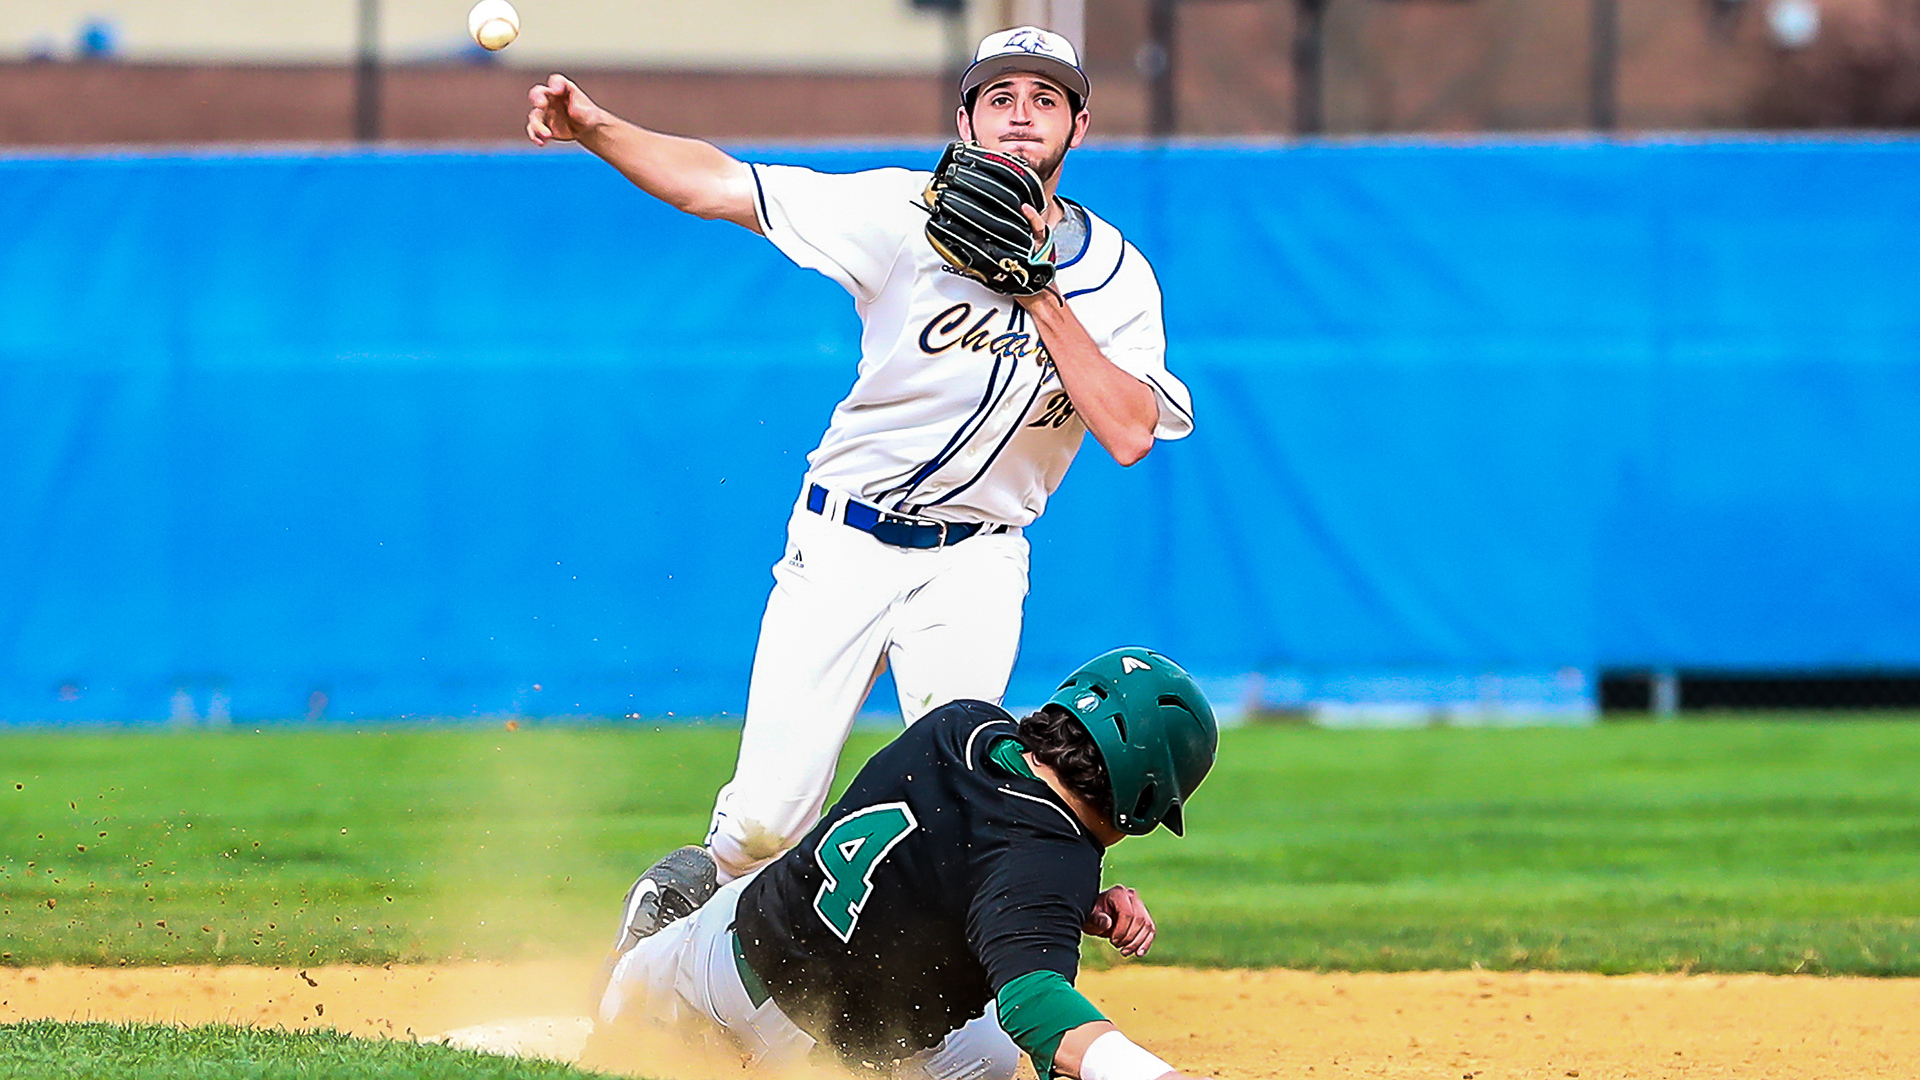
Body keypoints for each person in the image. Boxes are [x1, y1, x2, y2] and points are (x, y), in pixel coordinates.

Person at [526, 26, 1195, 896]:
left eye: (1044, 100)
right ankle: (675, 939)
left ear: (1079, 125)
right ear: (965, 122)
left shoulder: (1117, 276)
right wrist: (596, 127)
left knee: (968, 802)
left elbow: (1131, 430)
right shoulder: (902, 215)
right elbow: (721, 186)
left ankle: (914, 1012)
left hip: (978, 557)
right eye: (1000, 99)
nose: (1021, 118)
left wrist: (1039, 292)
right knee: (766, 821)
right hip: (847, 535)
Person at [595, 647, 1220, 1080]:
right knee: (996, 1054)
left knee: (611, 1024)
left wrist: (1066, 905)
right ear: (1144, 797)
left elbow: (957, 844)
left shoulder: (962, 723)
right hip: (814, 1058)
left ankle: (644, 949)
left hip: (720, 948)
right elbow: (1035, 1002)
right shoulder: (1048, 860)